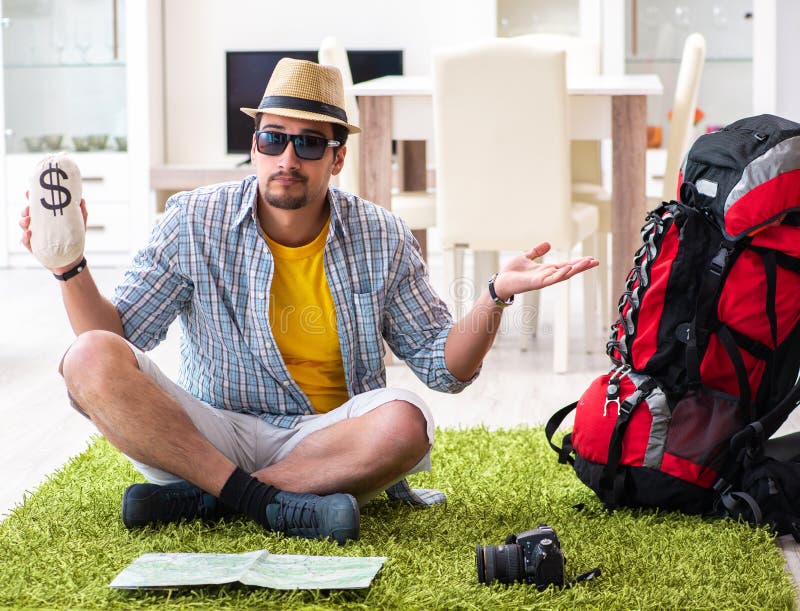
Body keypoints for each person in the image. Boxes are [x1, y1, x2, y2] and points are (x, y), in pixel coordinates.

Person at [19, 58, 597, 545]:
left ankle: (215, 500)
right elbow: (120, 342)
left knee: (407, 420)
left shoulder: (382, 235)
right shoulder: (193, 220)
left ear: (337, 158)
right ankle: (269, 501)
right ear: (255, 144)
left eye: (309, 143)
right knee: (86, 357)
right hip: (214, 429)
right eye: (273, 139)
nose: (287, 158)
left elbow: (442, 370)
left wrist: (494, 295)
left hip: (328, 441)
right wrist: (69, 265)